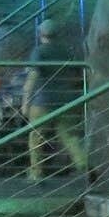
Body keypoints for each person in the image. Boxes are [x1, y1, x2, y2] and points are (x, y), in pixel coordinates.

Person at [22, 17, 89, 181]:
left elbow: (32, 78)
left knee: (36, 138)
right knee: (70, 137)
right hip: (66, 101)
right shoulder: (67, 51)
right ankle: (84, 165)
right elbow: (78, 75)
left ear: (40, 34)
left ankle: (36, 173)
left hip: (43, 102)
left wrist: (26, 103)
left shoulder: (39, 52)